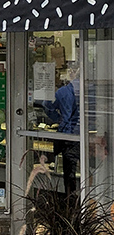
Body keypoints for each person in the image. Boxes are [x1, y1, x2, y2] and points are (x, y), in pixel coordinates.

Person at [43, 68, 80, 196]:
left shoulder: (62, 92)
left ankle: (70, 197)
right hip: (85, 135)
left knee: (69, 171)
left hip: (67, 135)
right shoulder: (89, 90)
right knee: (89, 168)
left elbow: (47, 106)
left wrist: (58, 118)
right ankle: (89, 199)